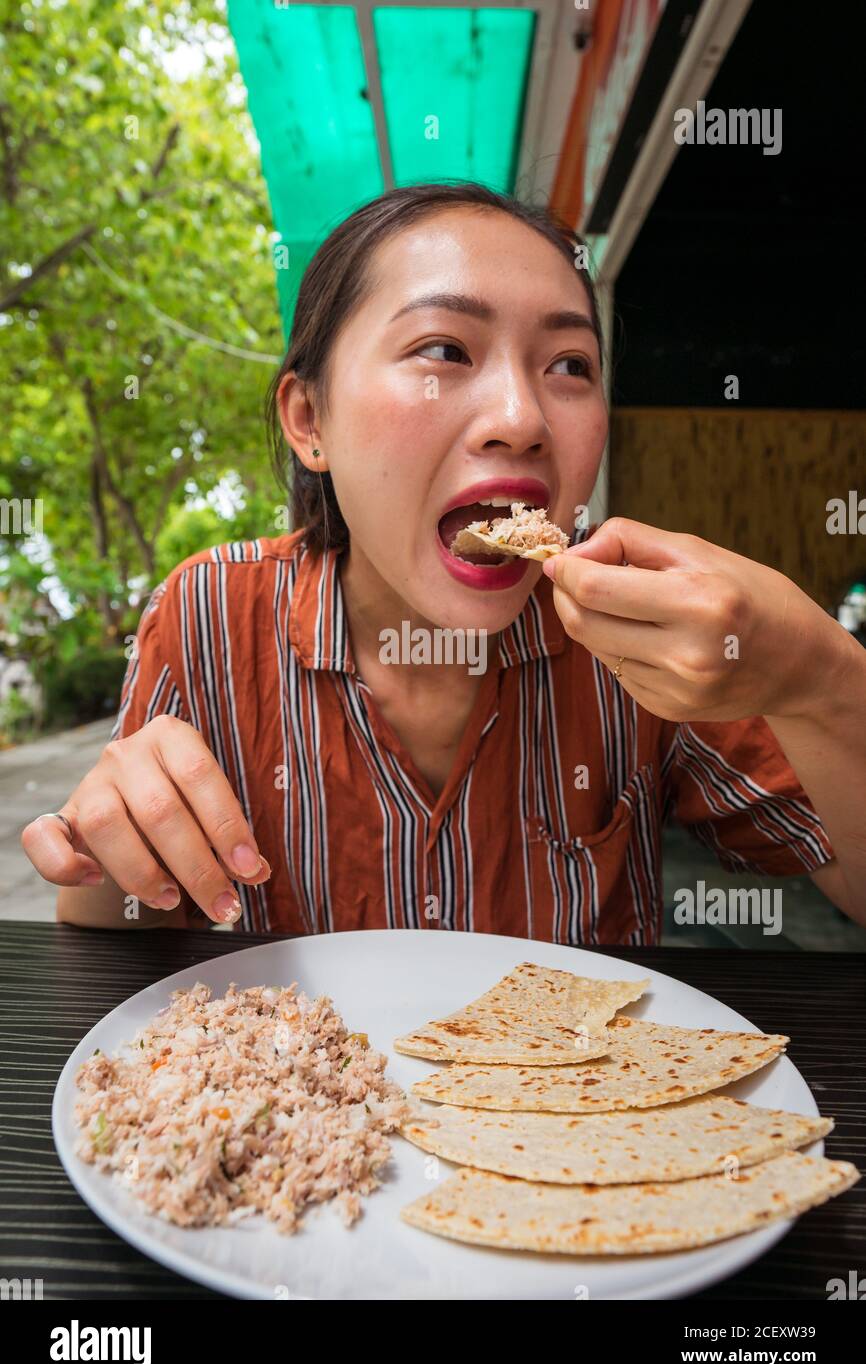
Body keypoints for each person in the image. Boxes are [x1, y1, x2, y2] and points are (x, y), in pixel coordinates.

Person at [21, 182, 866, 941]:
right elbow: (117, 928)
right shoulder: (209, 616)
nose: (520, 417)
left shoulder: (648, 637)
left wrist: (821, 677)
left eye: (569, 365)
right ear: (309, 418)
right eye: (446, 351)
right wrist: (110, 840)